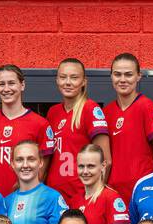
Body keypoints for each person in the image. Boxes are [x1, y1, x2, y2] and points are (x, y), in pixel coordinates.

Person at [0, 63, 55, 197]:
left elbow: (42, 171)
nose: (6, 88)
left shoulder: (40, 123)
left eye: (11, 83)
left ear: (22, 85)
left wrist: (27, 195)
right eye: (1, 84)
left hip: (22, 198)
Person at [46, 58, 111, 208]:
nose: (68, 82)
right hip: (55, 195)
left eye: (74, 77)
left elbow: (106, 161)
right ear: (57, 80)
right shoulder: (53, 112)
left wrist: (93, 196)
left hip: (80, 194)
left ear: (83, 81)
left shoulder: (90, 109)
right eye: (63, 77)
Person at [104, 52, 153, 194]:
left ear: (138, 76)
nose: (122, 79)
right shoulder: (106, 112)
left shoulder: (148, 107)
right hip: (113, 191)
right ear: (111, 76)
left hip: (143, 189)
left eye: (128, 74)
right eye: (117, 74)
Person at [4, 140, 68, 224]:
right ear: (12, 164)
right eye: (20, 160)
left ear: (41, 163)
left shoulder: (52, 197)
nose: (25, 164)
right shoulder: (7, 201)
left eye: (31, 159)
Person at [75, 143, 132, 224]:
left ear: (103, 166)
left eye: (91, 166)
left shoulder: (111, 198)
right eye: (81, 166)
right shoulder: (75, 201)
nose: (85, 171)